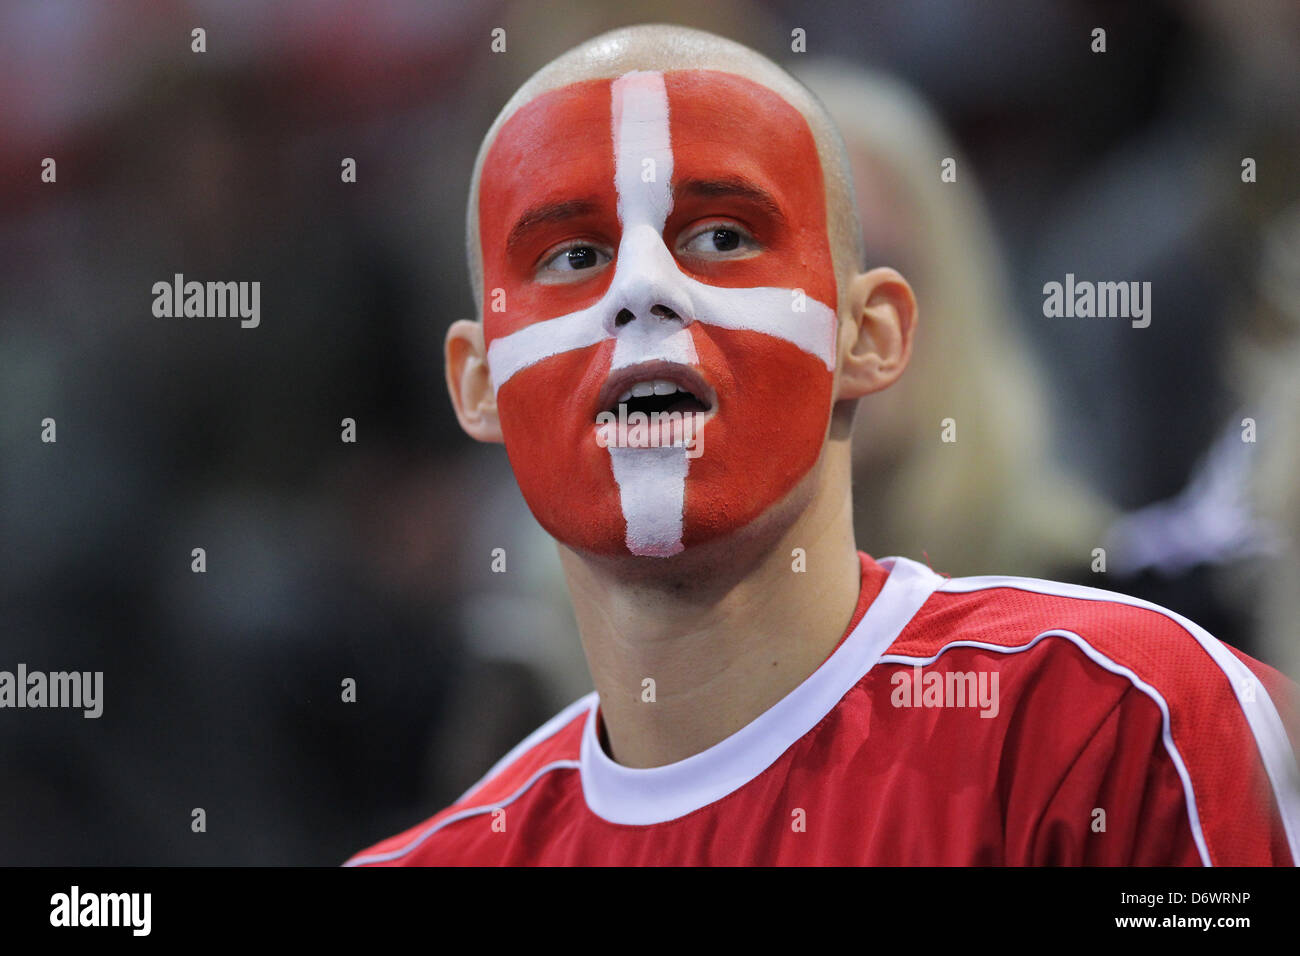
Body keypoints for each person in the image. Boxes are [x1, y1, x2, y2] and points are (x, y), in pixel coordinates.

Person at [346, 24, 1299, 865]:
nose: (641, 288)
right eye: (573, 255)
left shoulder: (1123, 722)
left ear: (870, 334)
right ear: (476, 383)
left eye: (721, 234)